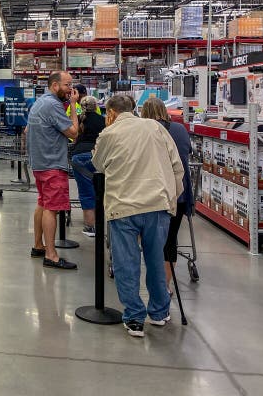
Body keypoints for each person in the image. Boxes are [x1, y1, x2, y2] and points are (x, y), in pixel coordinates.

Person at [92, 95, 184, 338]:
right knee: (156, 259)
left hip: (123, 206)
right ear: (134, 109)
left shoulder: (108, 134)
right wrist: (170, 197)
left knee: (126, 263)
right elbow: (177, 165)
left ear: (110, 113)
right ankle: (159, 312)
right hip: (157, 204)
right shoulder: (155, 127)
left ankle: (134, 318)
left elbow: (98, 164)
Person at [140, 97, 194, 293]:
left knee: (150, 238)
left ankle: (153, 281)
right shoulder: (179, 129)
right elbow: (187, 151)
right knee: (170, 238)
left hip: (152, 193)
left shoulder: (143, 131)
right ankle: (165, 286)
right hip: (179, 193)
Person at [27, 70, 79, 270]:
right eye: (67, 85)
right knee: (53, 208)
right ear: (55, 85)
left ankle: (38, 246)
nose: (70, 89)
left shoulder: (40, 103)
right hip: (52, 165)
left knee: (42, 203)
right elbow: (73, 133)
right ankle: (51, 255)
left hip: (40, 164)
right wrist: (73, 106)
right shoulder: (53, 105)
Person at [70, 95, 106, 237]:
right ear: (96, 106)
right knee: (101, 191)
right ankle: (100, 223)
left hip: (79, 157)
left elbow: (73, 137)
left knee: (86, 192)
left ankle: (90, 227)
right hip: (97, 156)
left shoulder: (78, 120)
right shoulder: (102, 120)